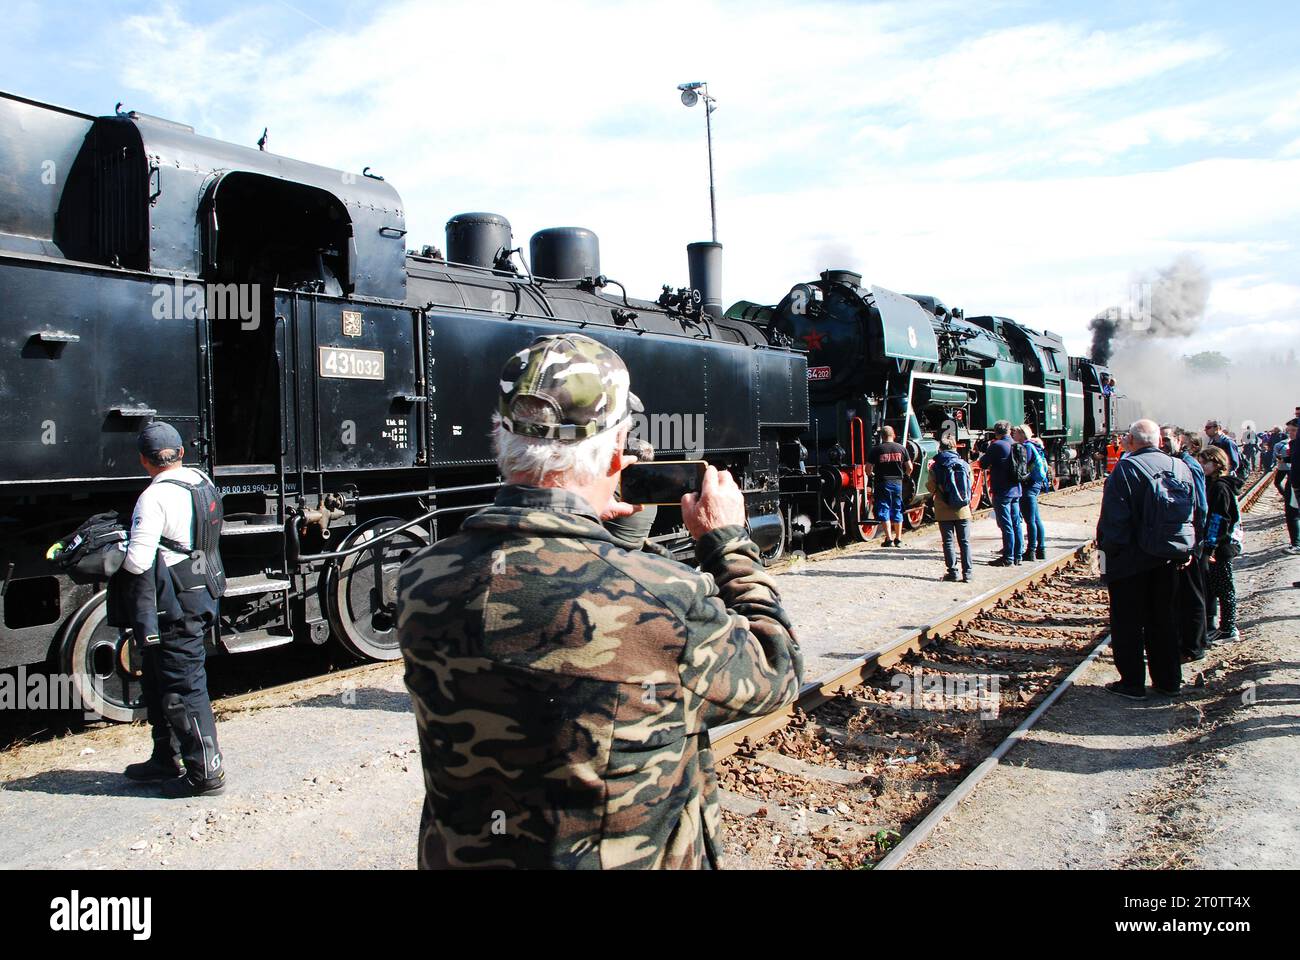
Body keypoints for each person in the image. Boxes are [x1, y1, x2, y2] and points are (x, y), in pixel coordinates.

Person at [396, 333, 803, 869]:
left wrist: (582, 534)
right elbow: (777, 671)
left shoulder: (420, 580)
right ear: (617, 452)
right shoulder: (663, 597)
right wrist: (728, 545)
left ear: (500, 436)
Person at [117, 422, 227, 797]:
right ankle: (166, 757)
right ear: (181, 453)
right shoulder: (201, 481)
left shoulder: (153, 497)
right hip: (205, 585)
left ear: (144, 461)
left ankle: (206, 773)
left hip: (175, 602)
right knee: (159, 676)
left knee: (183, 684)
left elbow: (137, 562)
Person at [1096, 419, 1195, 699]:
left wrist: (1108, 557)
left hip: (1131, 560)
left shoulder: (1126, 469)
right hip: (1168, 557)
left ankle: (1132, 683)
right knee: (1163, 619)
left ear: (1131, 441)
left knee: (1127, 623)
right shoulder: (1180, 467)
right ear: (1159, 441)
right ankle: (1169, 681)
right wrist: (1185, 550)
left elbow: (1114, 521)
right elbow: (1195, 510)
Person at [1162, 427, 1208, 662]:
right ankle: (1190, 641)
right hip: (1186, 538)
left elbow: (1200, 505)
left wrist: (1194, 540)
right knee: (1182, 594)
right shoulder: (1176, 462)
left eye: (1168, 438)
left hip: (1190, 539)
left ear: (1179, 440)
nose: (1164, 443)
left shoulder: (1189, 465)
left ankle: (1194, 646)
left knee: (1191, 594)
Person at [1197, 446, 1242, 645]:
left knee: (1224, 588)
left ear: (1216, 464)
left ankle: (1229, 628)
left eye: (1205, 462)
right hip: (1220, 544)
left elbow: (1218, 519)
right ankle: (1223, 627)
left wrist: (1210, 546)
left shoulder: (1220, 488)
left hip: (1221, 546)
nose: (1201, 466)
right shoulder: (1215, 485)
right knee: (1218, 586)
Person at [926, 435, 973, 582]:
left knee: (948, 542)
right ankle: (968, 573)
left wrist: (940, 493)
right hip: (963, 509)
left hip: (943, 508)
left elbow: (931, 486)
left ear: (940, 448)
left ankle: (952, 572)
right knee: (964, 541)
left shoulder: (935, 466)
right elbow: (970, 483)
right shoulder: (964, 464)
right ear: (954, 447)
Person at [979, 420, 1023, 566]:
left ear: (996, 432)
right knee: (1016, 523)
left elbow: (983, 464)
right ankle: (1018, 555)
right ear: (1009, 431)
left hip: (1002, 490)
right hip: (1016, 489)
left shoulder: (997, 446)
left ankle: (1008, 557)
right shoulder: (1017, 444)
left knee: (1006, 524)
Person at [864, 425, 913, 547]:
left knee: (883, 508)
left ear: (882, 437)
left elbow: (868, 469)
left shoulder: (876, 450)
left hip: (882, 483)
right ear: (894, 435)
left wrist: (872, 475)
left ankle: (889, 539)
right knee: (897, 508)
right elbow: (910, 467)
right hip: (897, 483)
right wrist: (905, 476)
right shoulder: (901, 449)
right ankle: (899, 539)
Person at [1014, 423, 1048, 561]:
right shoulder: (1034, 445)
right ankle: (1041, 549)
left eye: (1015, 433)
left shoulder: (1027, 447)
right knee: (1036, 518)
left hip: (1029, 485)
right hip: (1035, 484)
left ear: (1022, 434)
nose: (1013, 436)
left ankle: (1031, 551)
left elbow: (1023, 467)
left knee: (1030, 520)